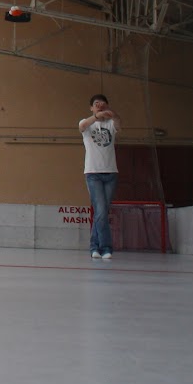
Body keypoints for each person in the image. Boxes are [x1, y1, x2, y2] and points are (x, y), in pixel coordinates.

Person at [78, 93, 118, 260]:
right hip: (93, 173)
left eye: (103, 103)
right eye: (96, 104)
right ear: (91, 108)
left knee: (102, 213)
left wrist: (112, 114)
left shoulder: (110, 124)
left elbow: (119, 124)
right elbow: (82, 126)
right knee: (100, 210)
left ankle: (94, 246)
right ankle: (106, 248)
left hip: (111, 173)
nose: (100, 106)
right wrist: (96, 116)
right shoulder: (86, 124)